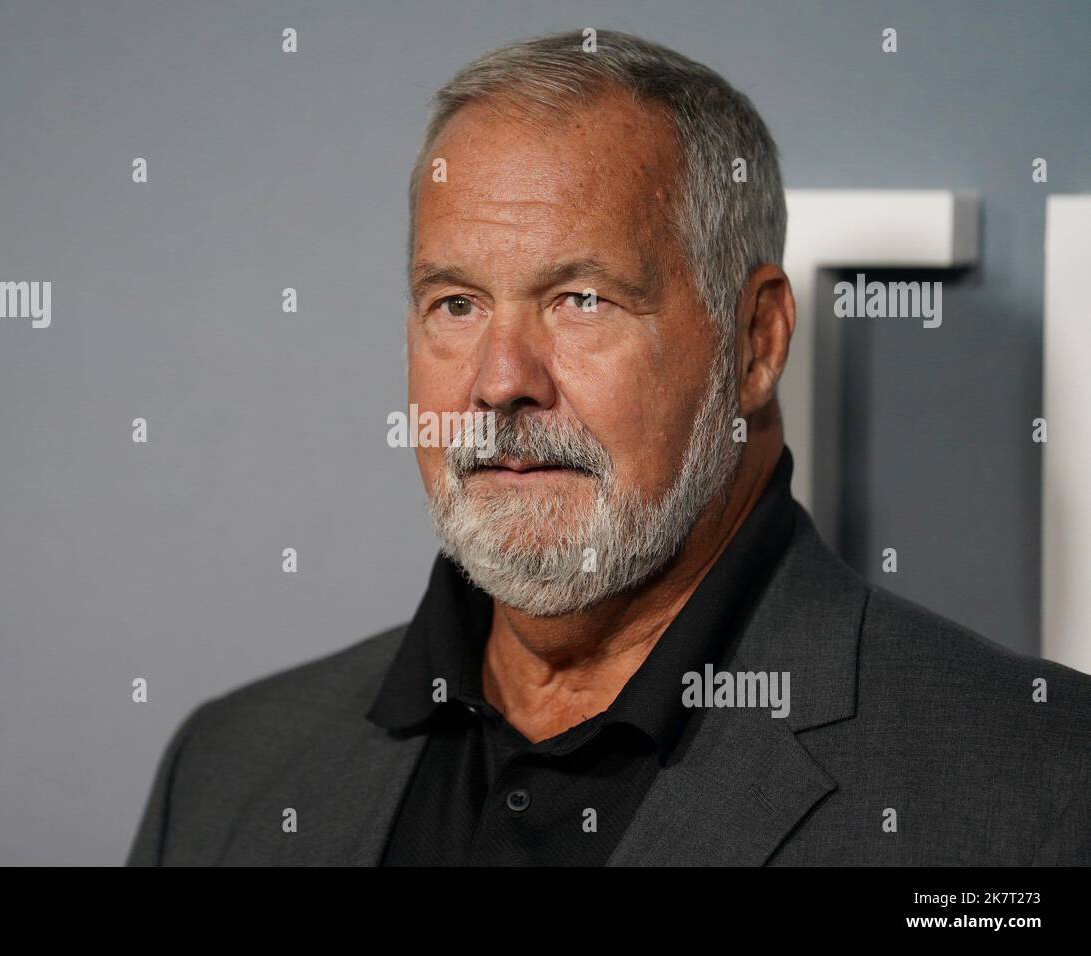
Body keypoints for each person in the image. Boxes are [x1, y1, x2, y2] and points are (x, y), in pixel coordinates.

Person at [127, 29, 1090, 866]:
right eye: (455, 304)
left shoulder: (1040, 789)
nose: (501, 380)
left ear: (755, 342)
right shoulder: (227, 774)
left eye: (580, 299)